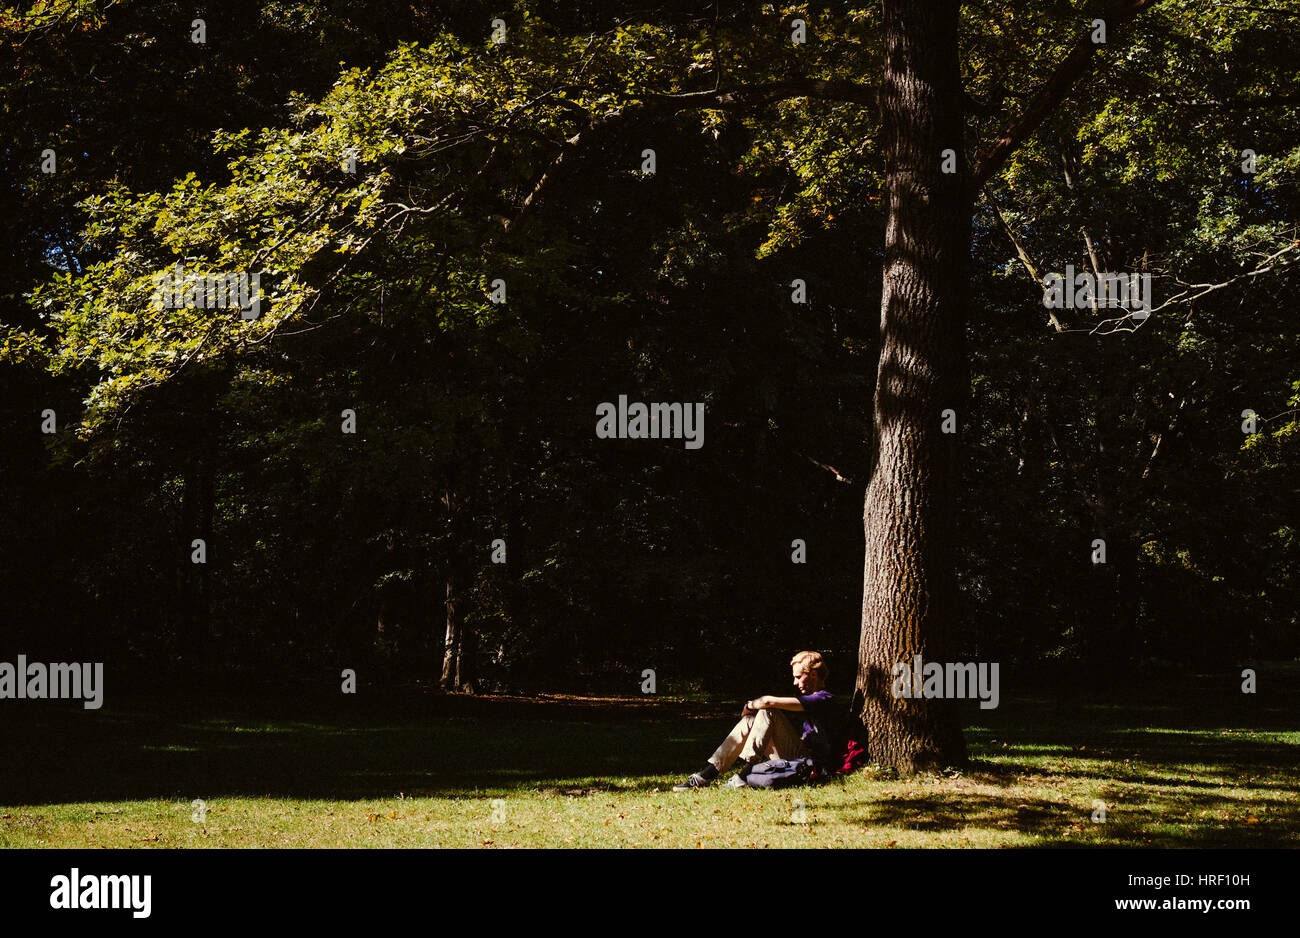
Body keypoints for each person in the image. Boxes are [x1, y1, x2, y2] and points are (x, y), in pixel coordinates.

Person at [673, 650, 855, 790]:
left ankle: (745, 773)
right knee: (750, 721)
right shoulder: (814, 698)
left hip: (809, 763)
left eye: (798, 677)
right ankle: (708, 774)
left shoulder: (824, 699)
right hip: (798, 756)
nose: (794, 682)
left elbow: (769, 701)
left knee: (769, 711)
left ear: (813, 675)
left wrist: (750, 704)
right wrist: (751, 710)